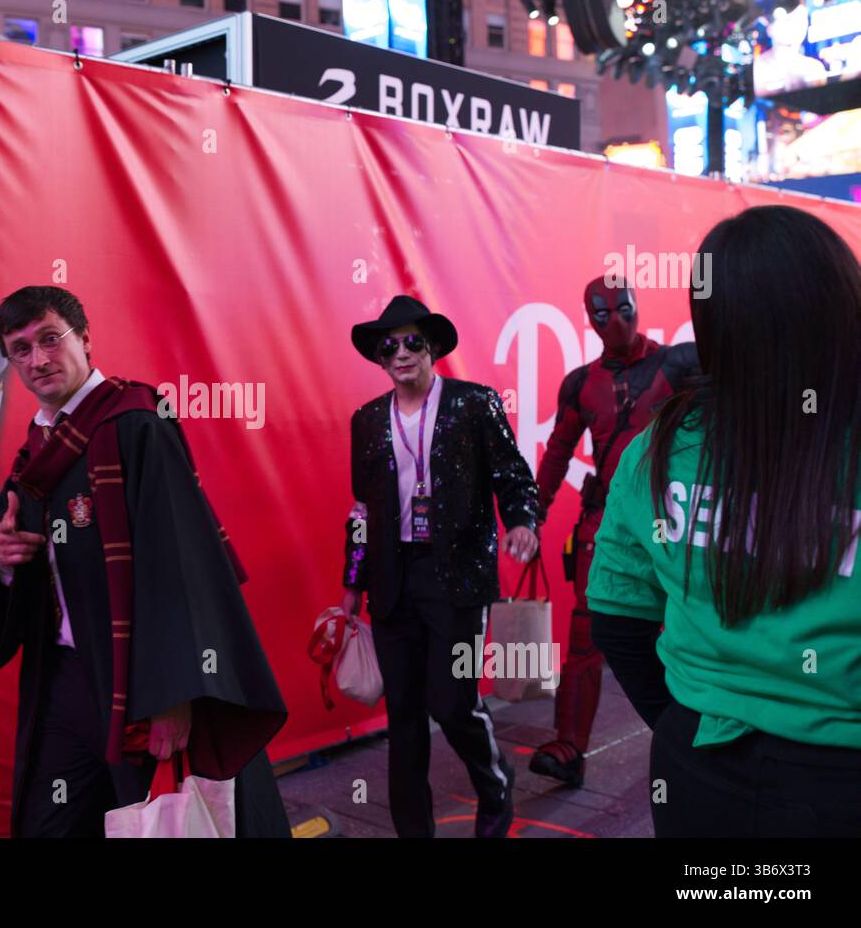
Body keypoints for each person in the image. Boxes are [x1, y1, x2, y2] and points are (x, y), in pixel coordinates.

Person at [0, 285, 290, 837]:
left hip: (140, 682)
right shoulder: (41, 442)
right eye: (21, 349)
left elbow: (183, 567)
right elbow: (2, 533)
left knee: (163, 823)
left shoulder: (138, 425)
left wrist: (176, 696)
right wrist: (1, 554)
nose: (38, 359)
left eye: (49, 339)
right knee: (49, 824)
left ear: (84, 338)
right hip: (62, 679)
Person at [587, 205, 861, 837]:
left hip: (696, 770)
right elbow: (618, 619)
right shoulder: (657, 439)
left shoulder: (663, 443)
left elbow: (620, 619)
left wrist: (686, 723)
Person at [341, 294, 541, 838]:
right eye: (389, 346)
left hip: (455, 577)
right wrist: (351, 585)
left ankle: (495, 784)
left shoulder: (473, 404)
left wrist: (523, 521)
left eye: (411, 341)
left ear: (432, 347)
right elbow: (361, 510)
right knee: (403, 718)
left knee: (453, 703)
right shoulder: (365, 421)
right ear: (380, 359)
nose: (401, 352)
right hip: (392, 580)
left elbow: (513, 476)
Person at [529, 277, 697, 787]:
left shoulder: (680, 364)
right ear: (589, 318)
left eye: (623, 309)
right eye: (602, 315)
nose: (616, 322)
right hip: (610, 522)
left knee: (698, 621)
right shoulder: (582, 384)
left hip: (679, 515)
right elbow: (557, 451)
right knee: (590, 631)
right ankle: (569, 747)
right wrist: (531, 515)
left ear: (638, 306)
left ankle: (704, 736)